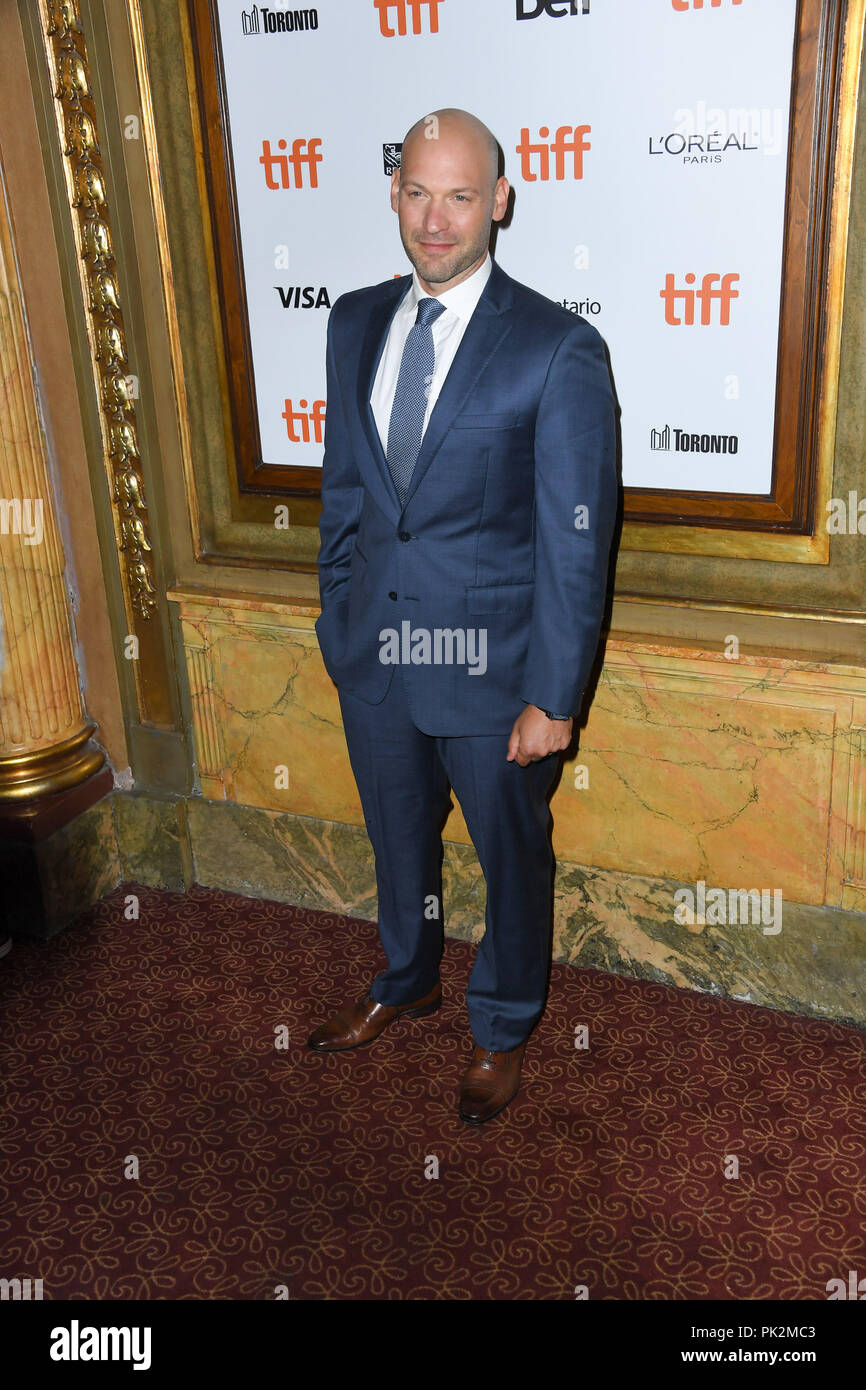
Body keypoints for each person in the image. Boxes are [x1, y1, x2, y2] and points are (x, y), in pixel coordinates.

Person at [310, 108, 617, 1124]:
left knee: (510, 857)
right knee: (397, 840)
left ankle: (502, 1023)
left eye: (458, 196)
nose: (434, 220)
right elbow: (346, 493)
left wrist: (553, 696)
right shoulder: (354, 321)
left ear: (499, 203)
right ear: (394, 195)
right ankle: (406, 978)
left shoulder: (557, 347)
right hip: (375, 656)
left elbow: (574, 540)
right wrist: (338, 616)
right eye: (416, 193)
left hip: (496, 674)